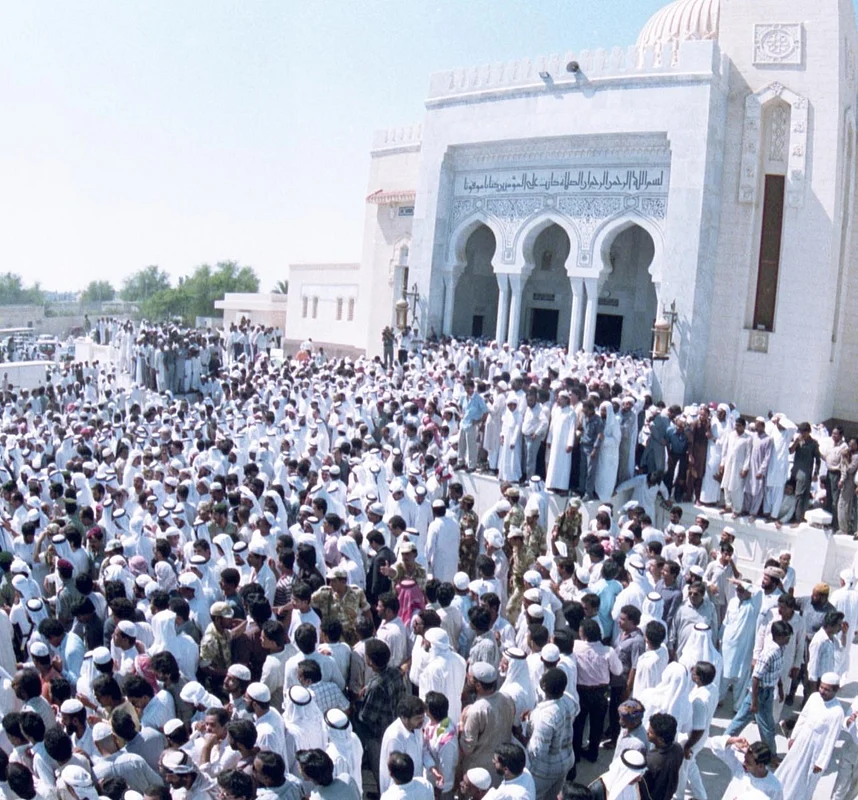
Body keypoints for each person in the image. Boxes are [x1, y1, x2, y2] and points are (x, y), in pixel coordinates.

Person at [775, 672, 845, 800]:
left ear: (835, 690)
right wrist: (793, 737)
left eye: (827, 689)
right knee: (789, 770)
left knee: (803, 780)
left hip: (814, 751)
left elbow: (830, 739)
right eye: (821, 687)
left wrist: (821, 762)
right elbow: (803, 717)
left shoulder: (837, 712)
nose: (822, 691)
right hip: (801, 740)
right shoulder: (814, 697)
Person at [525, 668, 576, 800]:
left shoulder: (544, 717)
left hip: (546, 769)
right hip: (566, 759)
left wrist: (524, 733)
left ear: (544, 685)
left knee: (532, 795)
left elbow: (537, 752)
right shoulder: (569, 700)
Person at [709, 735, 783, 800]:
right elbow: (714, 745)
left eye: (748, 762)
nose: (744, 763)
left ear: (760, 766)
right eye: (745, 759)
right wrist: (732, 740)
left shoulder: (775, 787)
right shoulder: (739, 766)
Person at [641, 712, 683, 800]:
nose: (647, 732)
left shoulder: (651, 761)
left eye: (651, 732)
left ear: (661, 739)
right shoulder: (678, 749)